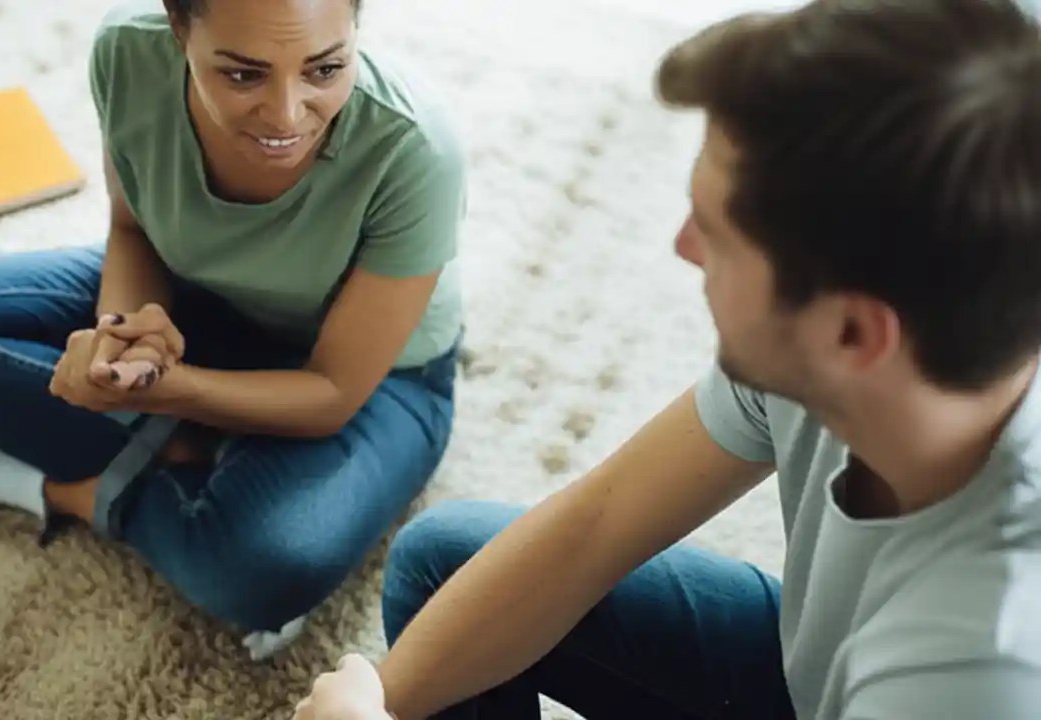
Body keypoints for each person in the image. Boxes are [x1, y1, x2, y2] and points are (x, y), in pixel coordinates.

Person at [293, 0, 1041, 717]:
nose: (683, 247)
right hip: (819, 668)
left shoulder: (981, 664)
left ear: (853, 334)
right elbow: (595, 526)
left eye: (715, 232)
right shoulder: (871, 339)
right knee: (447, 564)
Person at [0, 0, 464, 659]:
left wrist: (163, 392)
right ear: (179, 27)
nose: (287, 115)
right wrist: (126, 340)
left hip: (375, 377)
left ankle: (70, 490)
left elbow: (330, 392)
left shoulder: (415, 150)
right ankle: (187, 461)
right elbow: (133, 230)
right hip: (200, 295)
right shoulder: (129, 51)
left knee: (262, 568)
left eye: (325, 69)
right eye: (243, 75)